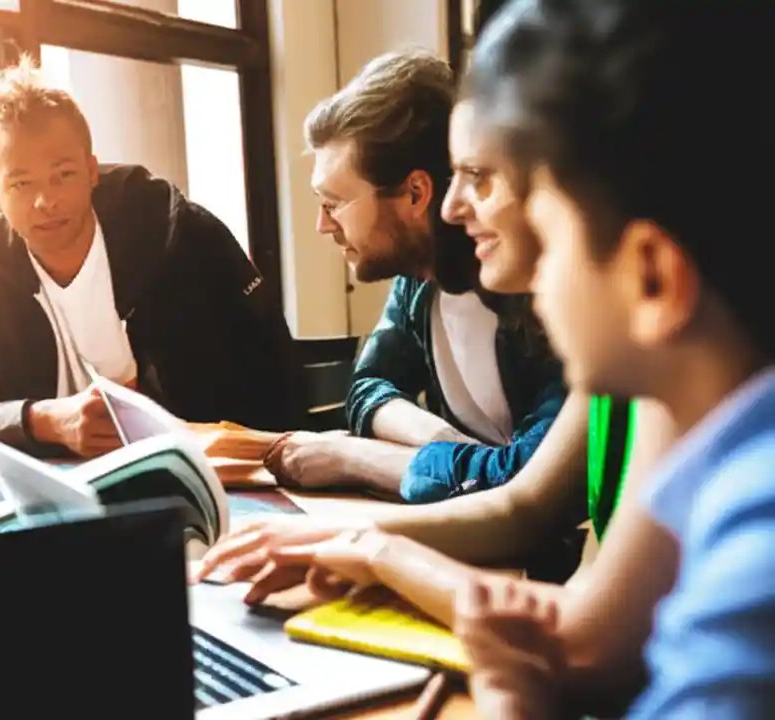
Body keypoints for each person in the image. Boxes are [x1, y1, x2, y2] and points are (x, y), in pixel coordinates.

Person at [240, 1, 775, 716]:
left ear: (650, 277)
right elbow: (586, 627)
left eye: (551, 243)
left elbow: (584, 627)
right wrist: (369, 548)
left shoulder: (757, 528)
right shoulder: (684, 395)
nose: (456, 208)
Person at [0, 58, 297, 458]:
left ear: (92, 171)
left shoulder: (179, 235)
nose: (46, 201)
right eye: (21, 184)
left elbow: (273, 371)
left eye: (64, 175)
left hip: (198, 468)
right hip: (52, 480)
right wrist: (42, 420)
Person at [265, 48, 565, 503]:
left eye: (333, 203)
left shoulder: (541, 292)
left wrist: (355, 457)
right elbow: (367, 388)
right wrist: (447, 446)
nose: (322, 225)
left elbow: (527, 479)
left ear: (415, 193)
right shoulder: (415, 283)